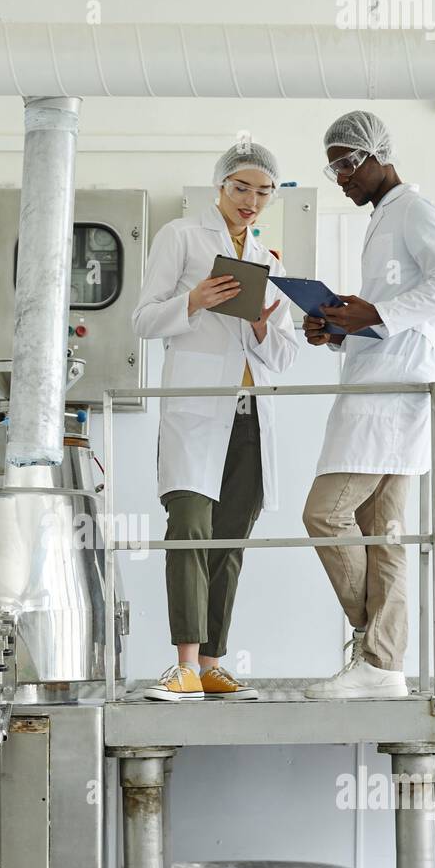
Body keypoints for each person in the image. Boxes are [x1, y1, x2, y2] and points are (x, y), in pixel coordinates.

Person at [301, 111, 435, 699]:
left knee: (325, 514)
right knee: (384, 534)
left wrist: (375, 313)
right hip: (383, 383)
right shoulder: (384, 218)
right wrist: (340, 329)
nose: (341, 177)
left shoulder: (414, 209)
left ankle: (373, 642)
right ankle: (385, 667)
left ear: (377, 155)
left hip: (395, 391)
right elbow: (391, 308)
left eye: (347, 163)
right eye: (334, 168)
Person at [132, 142, 299, 701]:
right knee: (189, 531)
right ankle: (182, 665)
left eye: (263, 192)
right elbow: (143, 321)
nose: (252, 201)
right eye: (241, 188)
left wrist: (259, 325)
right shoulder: (180, 237)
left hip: (250, 416)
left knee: (230, 539)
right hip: (196, 411)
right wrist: (195, 300)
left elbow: (285, 354)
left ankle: (211, 663)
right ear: (219, 188)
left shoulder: (269, 260)